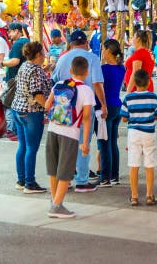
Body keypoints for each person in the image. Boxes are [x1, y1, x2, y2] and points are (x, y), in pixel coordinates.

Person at [52, 29, 106, 193]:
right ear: (86, 42)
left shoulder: (62, 58)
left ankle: (65, 180)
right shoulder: (93, 58)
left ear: (71, 42)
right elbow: (97, 83)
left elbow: (54, 80)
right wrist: (103, 104)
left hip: (63, 106)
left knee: (66, 145)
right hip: (84, 105)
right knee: (83, 142)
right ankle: (82, 181)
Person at [44, 56, 95, 219]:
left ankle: (54, 201)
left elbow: (47, 105)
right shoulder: (87, 90)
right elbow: (87, 117)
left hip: (53, 130)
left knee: (53, 169)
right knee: (65, 171)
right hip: (70, 133)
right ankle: (57, 207)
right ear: (86, 72)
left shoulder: (59, 84)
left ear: (71, 71)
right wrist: (85, 142)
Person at [11, 42, 52, 193]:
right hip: (31, 111)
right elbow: (37, 94)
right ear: (38, 55)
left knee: (22, 146)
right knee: (31, 148)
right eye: (43, 52)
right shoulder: (35, 70)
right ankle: (30, 182)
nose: (45, 55)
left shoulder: (25, 66)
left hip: (18, 109)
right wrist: (49, 107)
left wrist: (45, 71)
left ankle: (21, 180)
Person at [120, 69, 157, 206]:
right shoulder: (153, 97)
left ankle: (134, 196)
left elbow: (124, 118)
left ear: (134, 82)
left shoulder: (128, 98)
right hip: (149, 133)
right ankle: (149, 195)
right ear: (149, 82)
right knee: (149, 165)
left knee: (134, 164)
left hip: (134, 134)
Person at [98, 39, 124, 187]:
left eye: (103, 49)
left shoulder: (104, 69)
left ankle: (105, 177)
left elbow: (99, 87)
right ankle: (114, 175)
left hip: (105, 108)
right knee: (112, 143)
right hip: (116, 106)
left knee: (104, 143)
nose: (102, 51)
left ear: (108, 51)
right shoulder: (121, 68)